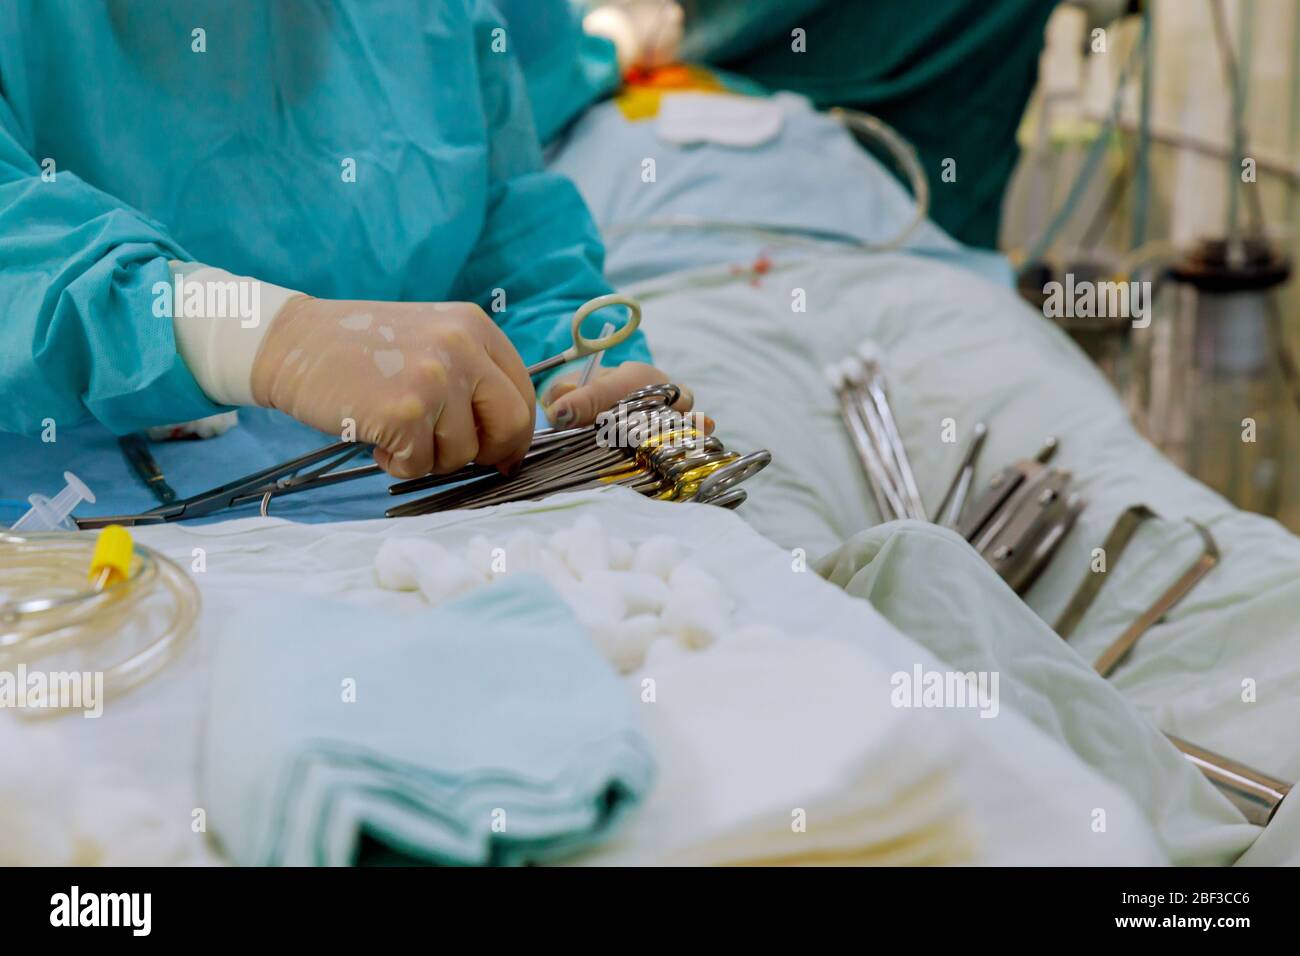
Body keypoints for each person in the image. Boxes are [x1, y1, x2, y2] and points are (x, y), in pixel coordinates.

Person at [0, 0, 690, 480]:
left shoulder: (434, 22)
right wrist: (265, 338)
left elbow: (513, 253)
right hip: (74, 528)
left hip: (418, 510)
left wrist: (574, 374)